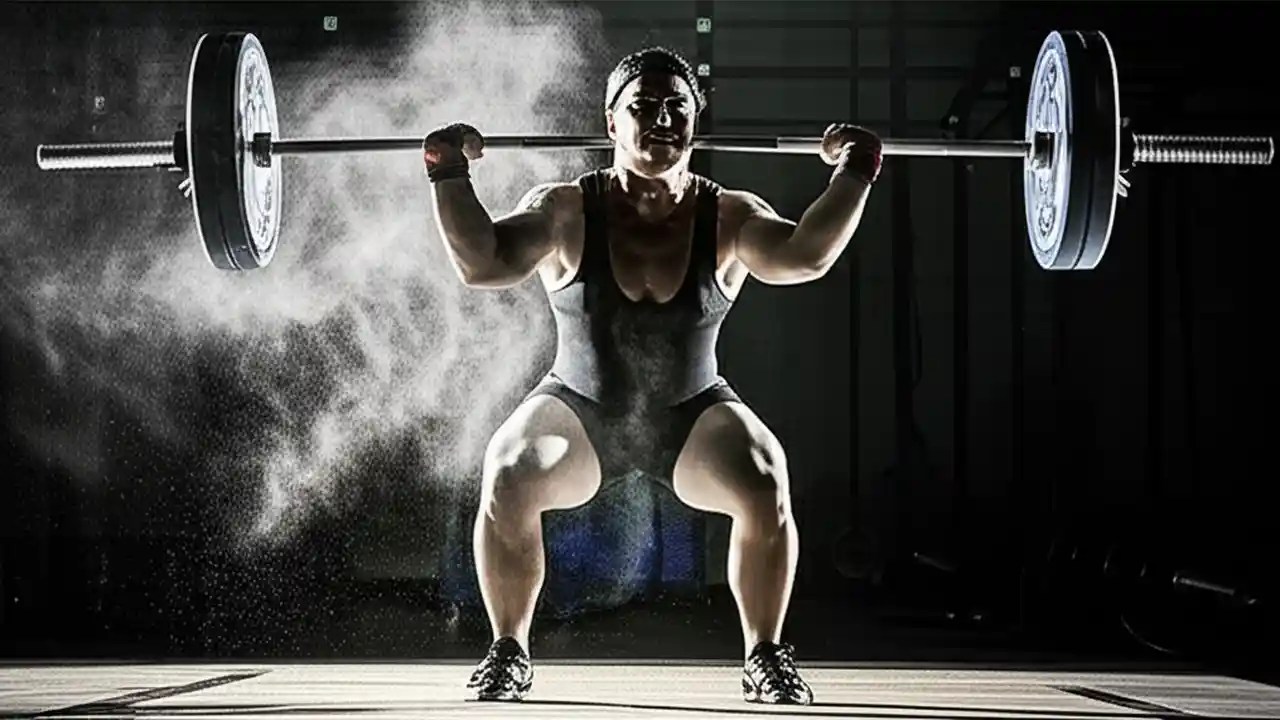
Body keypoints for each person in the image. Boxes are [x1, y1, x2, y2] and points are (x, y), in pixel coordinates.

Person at [423, 46, 881, 705]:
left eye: (677, 108)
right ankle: (507, 651)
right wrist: (447, 175)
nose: (662, 119)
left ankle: (765, 655)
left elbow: (805, 256)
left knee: (764, 474)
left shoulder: (727, 215)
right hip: (580, 408)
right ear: (612, 123)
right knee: (508, 469)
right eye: (643, 107)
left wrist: (856, 172)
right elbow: (485, 263)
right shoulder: (566, 210)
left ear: (696, 120)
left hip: (690, 412)